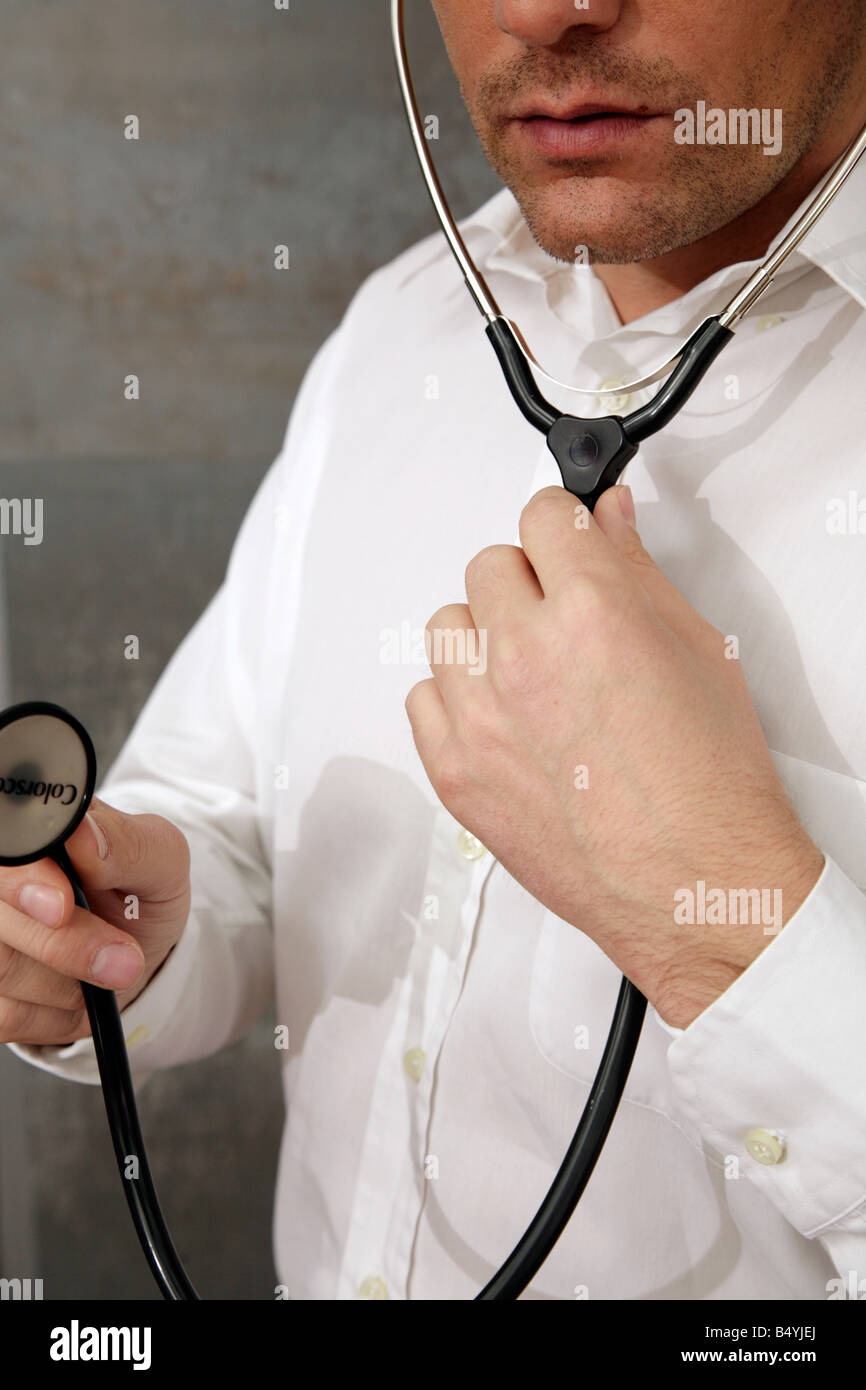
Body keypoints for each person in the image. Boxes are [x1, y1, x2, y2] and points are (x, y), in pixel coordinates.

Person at [3, 0, 866, 1300]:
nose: (543, 7)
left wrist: (721, 924)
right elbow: (231, 820)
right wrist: (116, 936)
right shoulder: (398, 336)